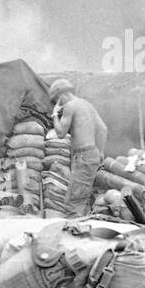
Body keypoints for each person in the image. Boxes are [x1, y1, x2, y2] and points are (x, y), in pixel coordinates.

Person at [50, 78, 108, 217]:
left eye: (57, 100)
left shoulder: (70, 106)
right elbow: (103, 129)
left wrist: (54, 115)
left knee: (72, 205)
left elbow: (60, 133)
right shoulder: (87, 104)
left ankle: (74, 234)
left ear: (60, 96)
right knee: (83, 201)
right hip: (91, 154)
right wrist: (100, 151)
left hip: (82, 157)